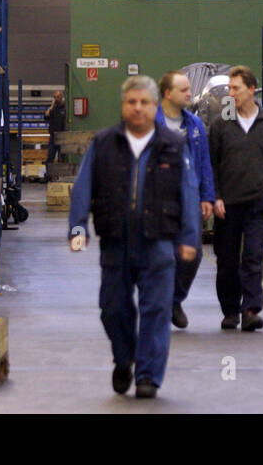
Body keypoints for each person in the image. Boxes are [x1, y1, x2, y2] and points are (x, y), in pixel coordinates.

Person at [68, 76, 200, 399]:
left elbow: (189, 192)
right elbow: (83, 187)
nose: (138, 108)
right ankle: (124, 358)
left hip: (159, 242)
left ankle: (148, 375)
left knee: (156, 310)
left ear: (155, 107)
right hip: (116, 240)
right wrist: (77, 227)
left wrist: (189, 238)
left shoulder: (174, 145)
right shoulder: (103, 143)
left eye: (144, 102)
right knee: (112, 308)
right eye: (132, 102)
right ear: (123, 106)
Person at [207, 65, 263, 332]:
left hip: (257, 203)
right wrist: (215, 196)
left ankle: (250, 310)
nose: (231, 93)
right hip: (226, 205)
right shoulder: (221, 125)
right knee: (227, 260)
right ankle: (230, 310)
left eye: (236, 88)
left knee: (253, 257)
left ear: (252, 89)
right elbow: (212, 165)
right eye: (229, 88)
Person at [156, 70, 215, 330]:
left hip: (188, 199)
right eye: (183, 90)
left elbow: (204, 163)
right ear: (168, 94)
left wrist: (207, 197)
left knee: (193, 255)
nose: (190, 94)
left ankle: (174, 300)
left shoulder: (194, 125)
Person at [45, 90, 66, 167]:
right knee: (50, 156)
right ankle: (48, 176)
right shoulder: (52, 109)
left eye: (58, 97)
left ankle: (62, 176)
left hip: (63, 135)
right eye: (55, 97)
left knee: (62, 157)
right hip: (53, 135)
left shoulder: (65, 108)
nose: (56, 99)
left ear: (62, 97)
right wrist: (51, 107)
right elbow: (46, 116)